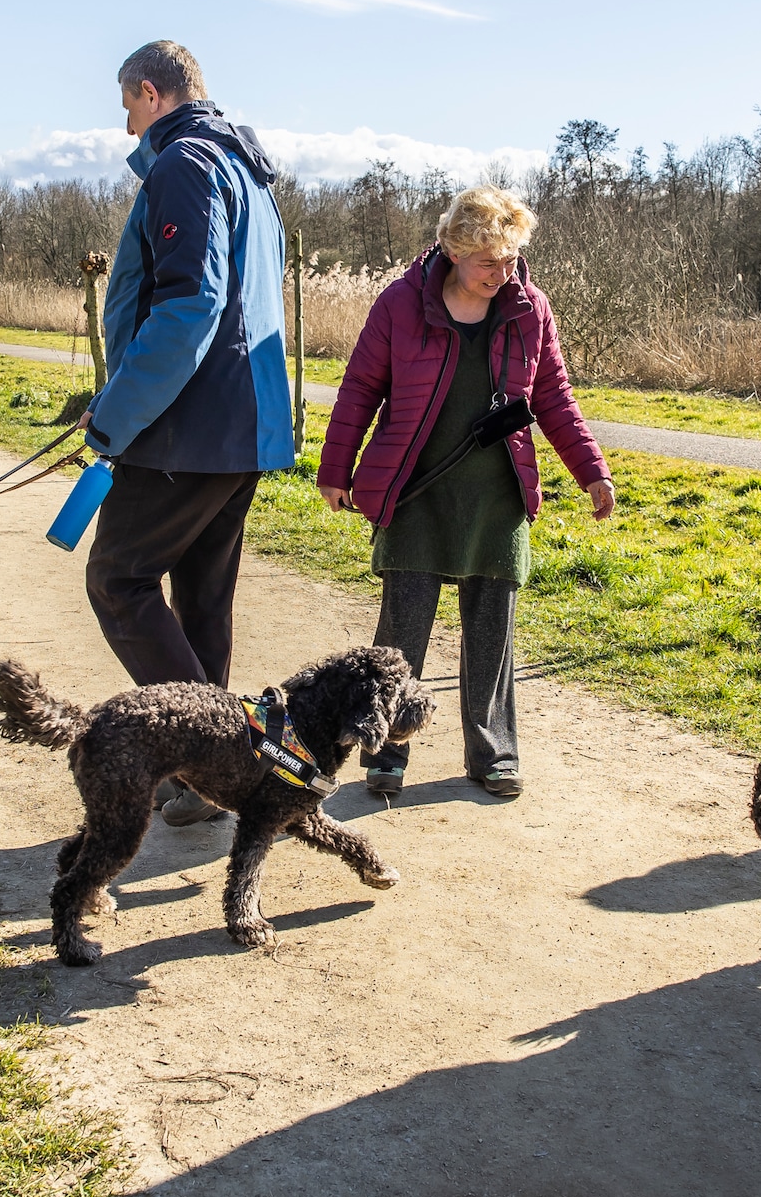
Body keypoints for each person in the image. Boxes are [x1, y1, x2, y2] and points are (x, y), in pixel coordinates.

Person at [316, 187, 614, 799]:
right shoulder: (400, 304)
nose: (501, 274)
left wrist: (592, 472)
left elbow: (553, 396)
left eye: (510, 260)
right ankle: (386, 754)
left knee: (492, 631)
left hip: (496, 495)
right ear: (454, 250)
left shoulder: (530, 307)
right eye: (488, 262)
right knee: (401, 633)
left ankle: (494, 753)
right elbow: (358, 390)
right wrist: (335, 468)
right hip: (416, 492)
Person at [82, 40, 297, 825]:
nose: (126, 121)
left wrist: (114, 414)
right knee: (202, 600)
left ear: (151, 91)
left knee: (119, 579)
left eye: (129, 104)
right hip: (245, 426)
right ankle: (209, 779)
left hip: (185, 428)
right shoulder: (247, 172)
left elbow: (188, 309)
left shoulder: (184, 166)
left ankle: (224, 761)